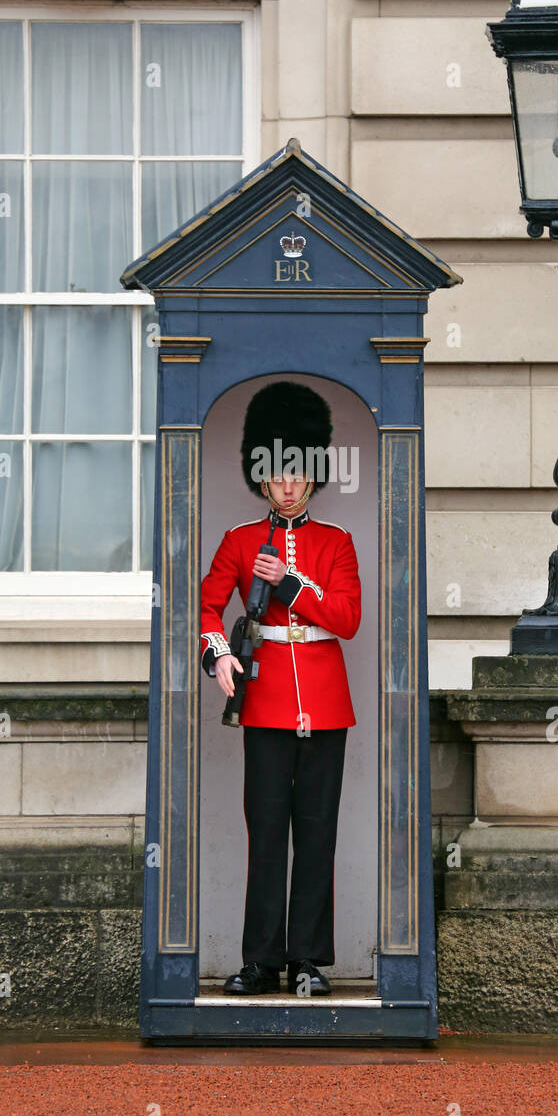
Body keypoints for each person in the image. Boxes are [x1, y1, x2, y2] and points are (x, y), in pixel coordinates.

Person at [200, 381, 362, 997]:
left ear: (312, 476)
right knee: (266, 831)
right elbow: (210, 606)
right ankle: (262, 959)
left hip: (323, 700)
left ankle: (310, 961)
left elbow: (346, 619)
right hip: (265, 700)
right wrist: (218, 655)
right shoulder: (241, 541)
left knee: (317, 831)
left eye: (297, 472)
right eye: (276, 473)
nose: (288, 485)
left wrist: (292, 584)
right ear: (260, 478)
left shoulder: (336, 543)